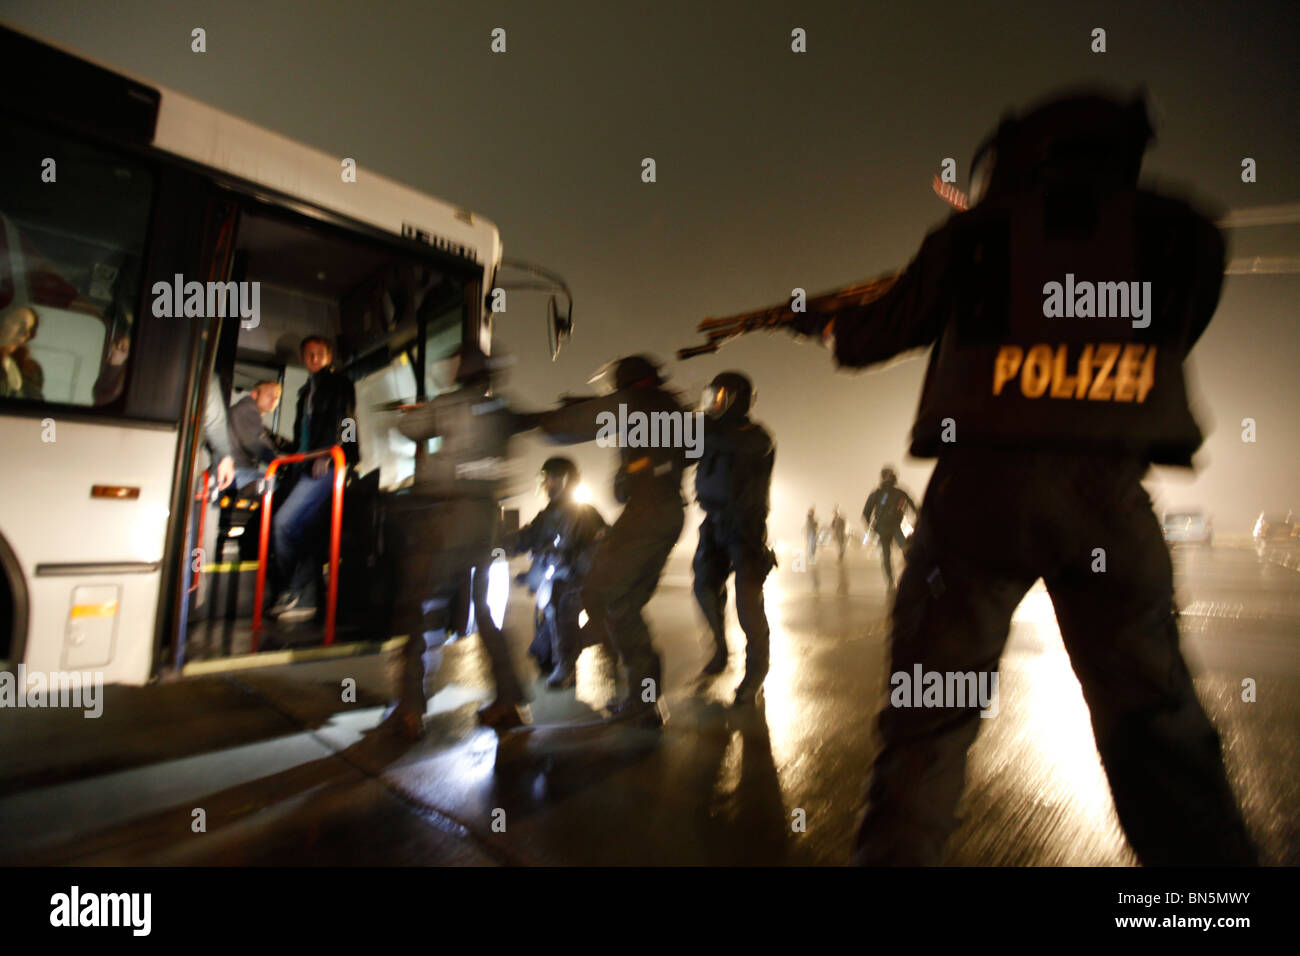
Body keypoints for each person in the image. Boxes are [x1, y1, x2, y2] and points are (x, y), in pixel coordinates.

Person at [782, 89, 1257, 865]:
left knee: (930, 721)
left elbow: (874, 338)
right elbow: (1175, 332)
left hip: (981, 494)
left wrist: (823, 321)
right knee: (1156, 729)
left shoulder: (973, 235)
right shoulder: (1188, 235)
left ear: (1027, 156)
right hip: (1108, 497)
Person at [381, 347, 530, 737]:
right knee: (483, 611)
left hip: (447, 519)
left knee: (419, 608)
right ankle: (508, 701)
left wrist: (408, 412)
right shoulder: (501, 410)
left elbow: (409, 430)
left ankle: (410, 709)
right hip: (485, 522)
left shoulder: (449, 404)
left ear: (462, 372)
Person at [533, 354, 688, 728]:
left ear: (627, 382)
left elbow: (564, 428)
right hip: (665, 512)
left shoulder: (640, 403)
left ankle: (572, 661)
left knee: (600, 592)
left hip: (647, 514)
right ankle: (645, 700)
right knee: (625, 604)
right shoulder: (669, 407)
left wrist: (527, 420)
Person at [692, 371, 776, 706]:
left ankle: (756, 671)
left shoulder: (756, 436)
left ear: (737, 399)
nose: (713, 403)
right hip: (713, 522)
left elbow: (729, 444)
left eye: (720, 396)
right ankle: (720, 649)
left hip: (746, 527)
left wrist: (695, 425)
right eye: (711, 396)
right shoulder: (710, 431)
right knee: (704, 587)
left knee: (747, 603)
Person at [267, 337, 359, 624]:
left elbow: (348, 422)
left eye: (319, 353)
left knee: (284, 522)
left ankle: (300, 592)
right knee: (297, 528)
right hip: (305, 466)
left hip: (327, 463)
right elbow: (304, 434)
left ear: (329, 356)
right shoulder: (305, 391)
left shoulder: (339, 384)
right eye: (309, 354)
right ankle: (299, 593)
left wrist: (334, 455)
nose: (314, 357)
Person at [507, 457, 608, 689]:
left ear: (564, 481)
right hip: (558, 578)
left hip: (580, 581)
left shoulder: (585, 514)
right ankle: (561, 658)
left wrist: (571, 566)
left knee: (561, 610)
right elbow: (529, 536)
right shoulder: (549, 514)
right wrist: (499, 546)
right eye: (546, 479)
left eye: (551, 479)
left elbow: (597, 549)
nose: (547, 485)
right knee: (543, 650)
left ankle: (567, 667)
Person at [861, 467, 917, 593]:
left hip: (892, 527)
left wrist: (919, 519)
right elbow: (866, 513)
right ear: (884, 476)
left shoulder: (897, 493)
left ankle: (907, 576)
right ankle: (891, 581)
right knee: (889, 555)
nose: (891, 477)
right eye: (889, 475)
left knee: (904, 550)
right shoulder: (879, 494)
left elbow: (913, 505)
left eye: (892, 475)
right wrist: (872, 527)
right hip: (884, 528)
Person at [228, 381, 291, 491]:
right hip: (235, 471)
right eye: (269, 395)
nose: (273, 400)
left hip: (236, 470)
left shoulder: (250, 414)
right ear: (254, 394)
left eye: (276, 397)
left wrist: (295, 448)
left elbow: (271, 437)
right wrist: (280, 463)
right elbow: (256, 443)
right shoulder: (246, 410)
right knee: (282, 488)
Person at [0, 305, 44, 400]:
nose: (25, 333)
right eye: (21, 324)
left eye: (29, 330)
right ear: (4, 320)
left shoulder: (31, 371)